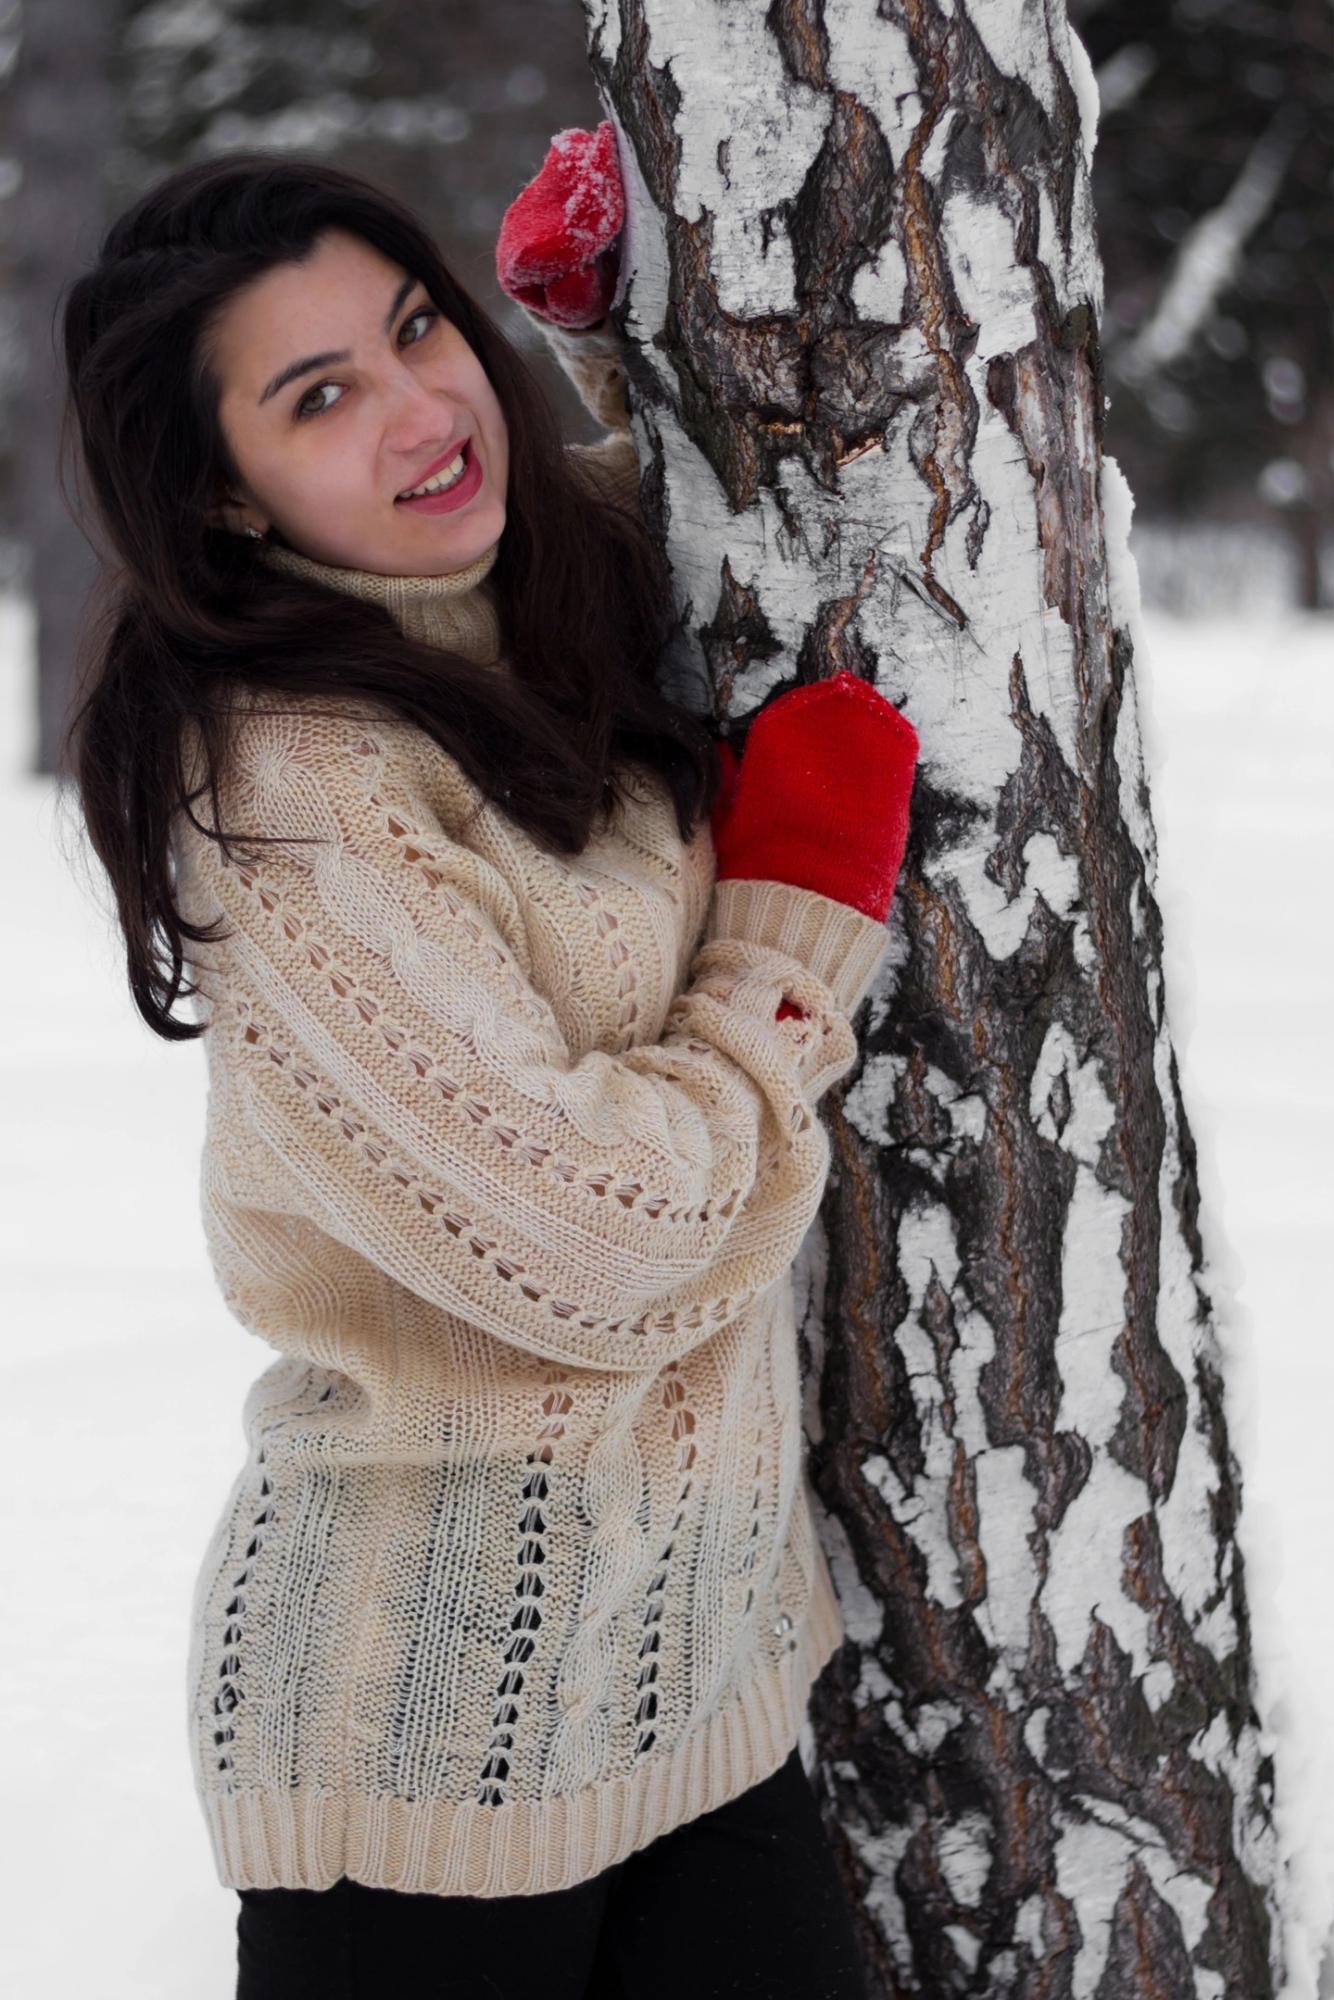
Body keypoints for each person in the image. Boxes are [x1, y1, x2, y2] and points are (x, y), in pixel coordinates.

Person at [56, 120, 919, 1999]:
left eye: (423, 326)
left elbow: (663, 504)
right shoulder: (294, 791)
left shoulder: (529, 610)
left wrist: (630, 339)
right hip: (421, 1749)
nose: (422, 403)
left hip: (696, 1680)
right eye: (320, 393)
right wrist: (781, 938)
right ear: (227, 501)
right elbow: (597, 1239)